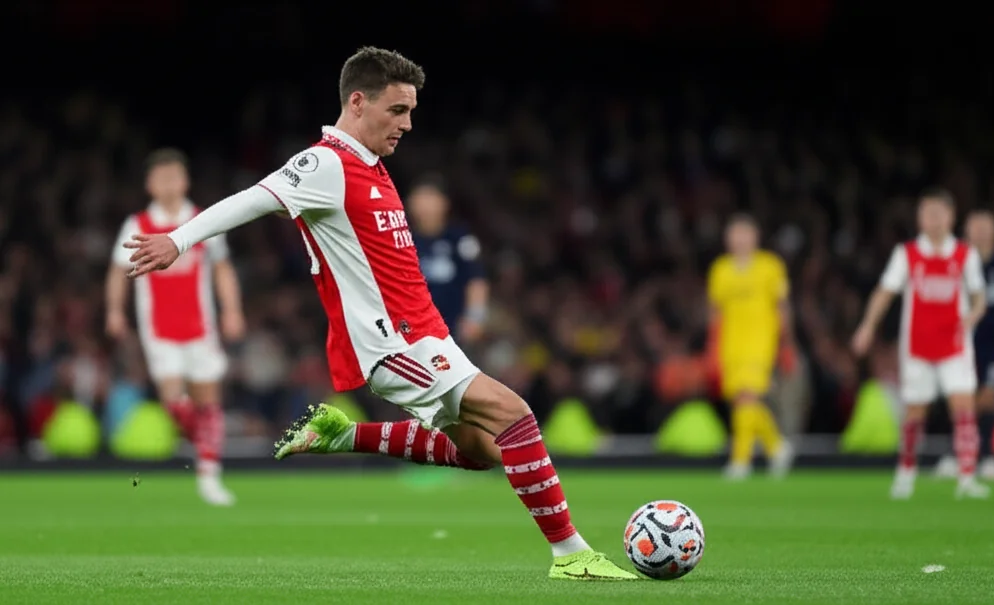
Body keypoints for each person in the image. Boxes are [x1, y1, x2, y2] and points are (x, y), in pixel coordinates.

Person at [123, 46, 635, 581]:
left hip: (429, 336)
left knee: (481, 451)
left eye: (412, 111)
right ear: (359, 101)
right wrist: (178, 241)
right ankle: (571, 554)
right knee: (515, 414)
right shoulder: (325, 163)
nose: (408, 124)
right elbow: (252, 199)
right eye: (397, 110)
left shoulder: (374, 167)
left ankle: (343, 436)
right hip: (391, 344)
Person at [107, 148, 244, 506]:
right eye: (161, 177)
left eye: (175, 176)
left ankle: (209, 477)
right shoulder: (138, 224)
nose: (169, 183)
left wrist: (231, 309)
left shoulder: (201, 220)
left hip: (201, 328)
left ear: (186, 180)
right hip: (160, 330)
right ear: (149, 184)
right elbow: (116, 272)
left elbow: (222, 267)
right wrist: (114, 311)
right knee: (174, 402)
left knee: (208, 401)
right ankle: (200, 444)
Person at [852, 188, 990, 500]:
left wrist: (975, 314)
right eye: (926, 213)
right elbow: (884, 292)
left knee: (964, 409)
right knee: (915, 413)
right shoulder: (908, 254)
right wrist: (867, 326)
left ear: (951, 217)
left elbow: (979, 294)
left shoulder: (964, 255)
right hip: (917, 346)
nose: (932, 220)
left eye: (938, 213)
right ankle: (906, 473)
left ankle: (967, 477)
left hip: (955, 344)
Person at [706, 214, 796, 480]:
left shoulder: (770, 266)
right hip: (730, 343)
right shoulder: (720, 269)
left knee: (748, 395)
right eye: (735, 234)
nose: (740, 239)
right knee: (740, 400)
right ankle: (777, 447)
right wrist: (712, 346)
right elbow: (715, 311)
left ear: (755, 237)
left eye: (745, 234)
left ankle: (741, 460)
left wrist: (786, 343)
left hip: (760, 341)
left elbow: (782, 307)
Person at [934, 210, 994, 480]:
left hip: (992, 345)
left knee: (988, 398)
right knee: (959, 397)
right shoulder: (955, 263)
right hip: (960, 343)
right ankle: (955, 454)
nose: (981, 232)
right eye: (976, 227)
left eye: (986, 226)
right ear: (966, 231)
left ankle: (987, 455)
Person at [408, 176, 489, 346]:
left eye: (429, 196)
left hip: (454, 330)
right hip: (414, 331)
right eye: (419, 197)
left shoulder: (460, 238)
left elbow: (476, 280)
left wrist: (475, 317)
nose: (423, 203)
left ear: (444, 202)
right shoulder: (403, 239)